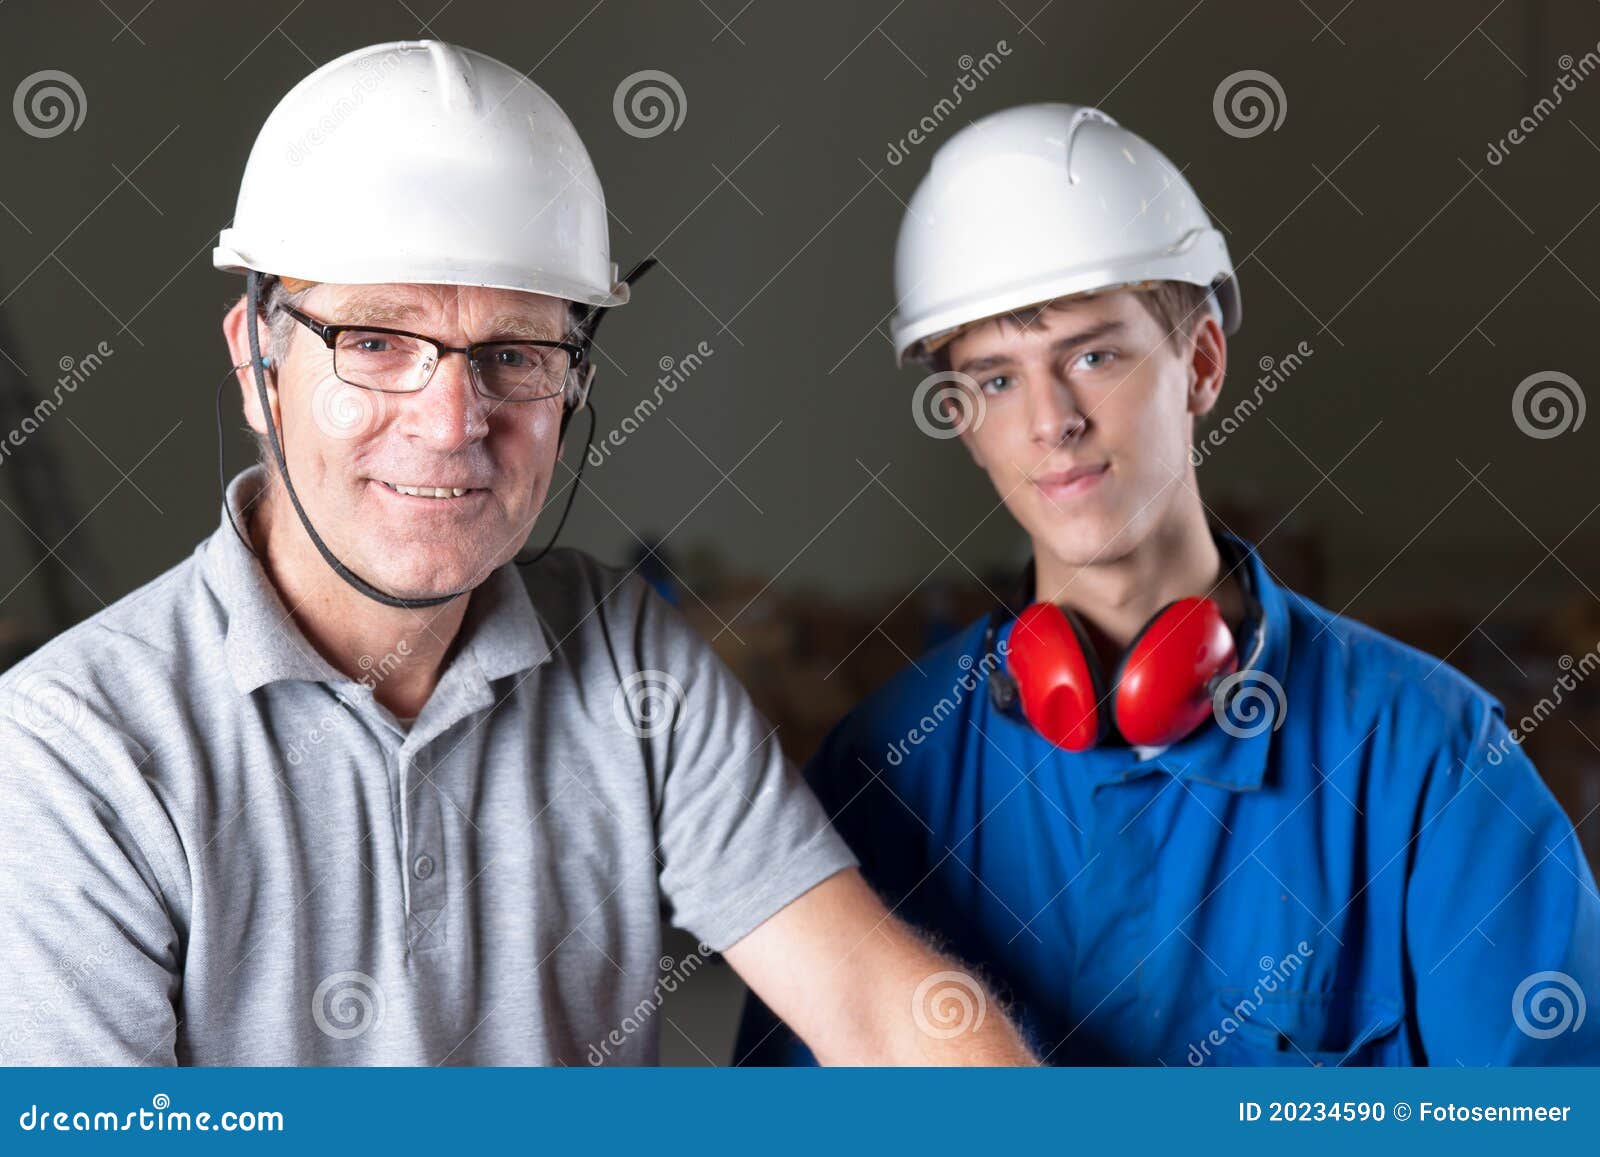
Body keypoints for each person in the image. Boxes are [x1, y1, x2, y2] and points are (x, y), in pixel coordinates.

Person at [0, 41, 1035, 1067]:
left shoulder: (630, 662)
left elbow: (885, 1014)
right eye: (375, 339)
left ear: (574, 383)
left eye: (514, 353)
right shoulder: (74, 752)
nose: (452, 419)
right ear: (255, 359)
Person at [736, 103, 1600, 1066]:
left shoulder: (1429, 758)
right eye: (994, 379)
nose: (1050, 420)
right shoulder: (885, 770)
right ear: (963, 422)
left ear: (1201, 363)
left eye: (1092, 355)